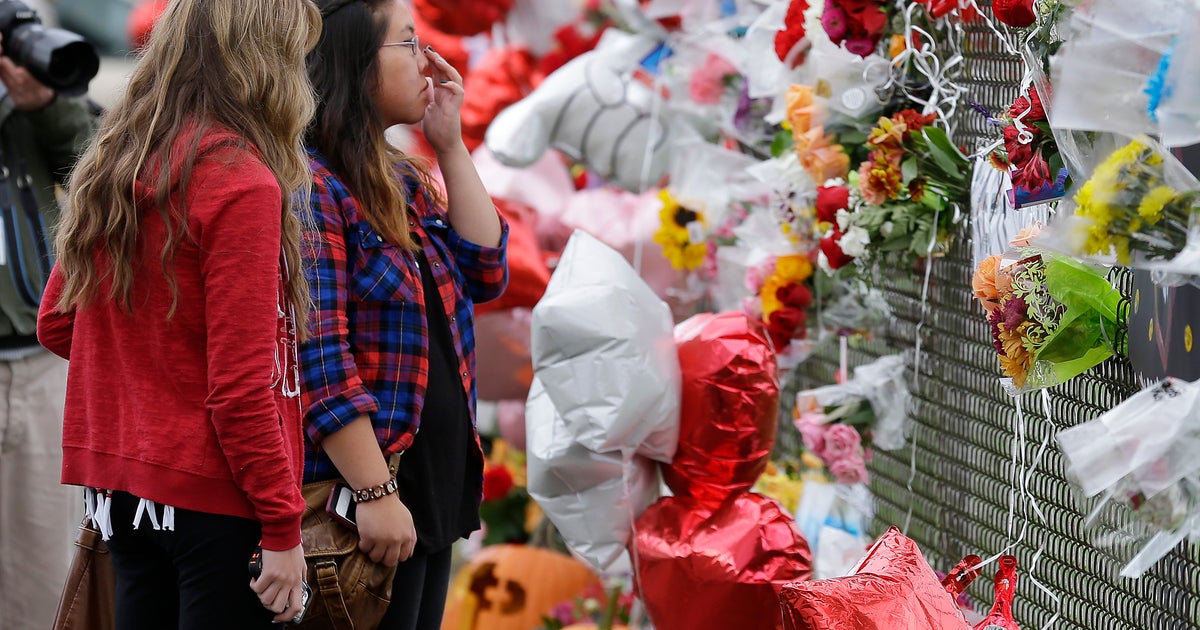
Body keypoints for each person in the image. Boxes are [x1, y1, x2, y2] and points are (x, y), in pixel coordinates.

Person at [35, 0, 321, 627]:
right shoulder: (241, 179)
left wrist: (149, 383)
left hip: (123, 492)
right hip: (215, 497)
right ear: (267, 64)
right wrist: (281, 524)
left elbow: (57, 322)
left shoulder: (120, 155)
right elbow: (240, 388)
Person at [300, 0, 507, 628]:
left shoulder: (400, 177)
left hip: (429, 489)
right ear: (356, 66)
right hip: (374, 495)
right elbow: (322, 360)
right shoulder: (312, 189)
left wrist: (451, 143)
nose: (429, 61)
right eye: (409, 43)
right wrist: (374, 493)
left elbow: (485, 271)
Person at [0, 29, 95, 630]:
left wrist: (43, 102)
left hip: (36, 365)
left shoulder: (27, 109)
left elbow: (103, 165)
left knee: (39, 575)